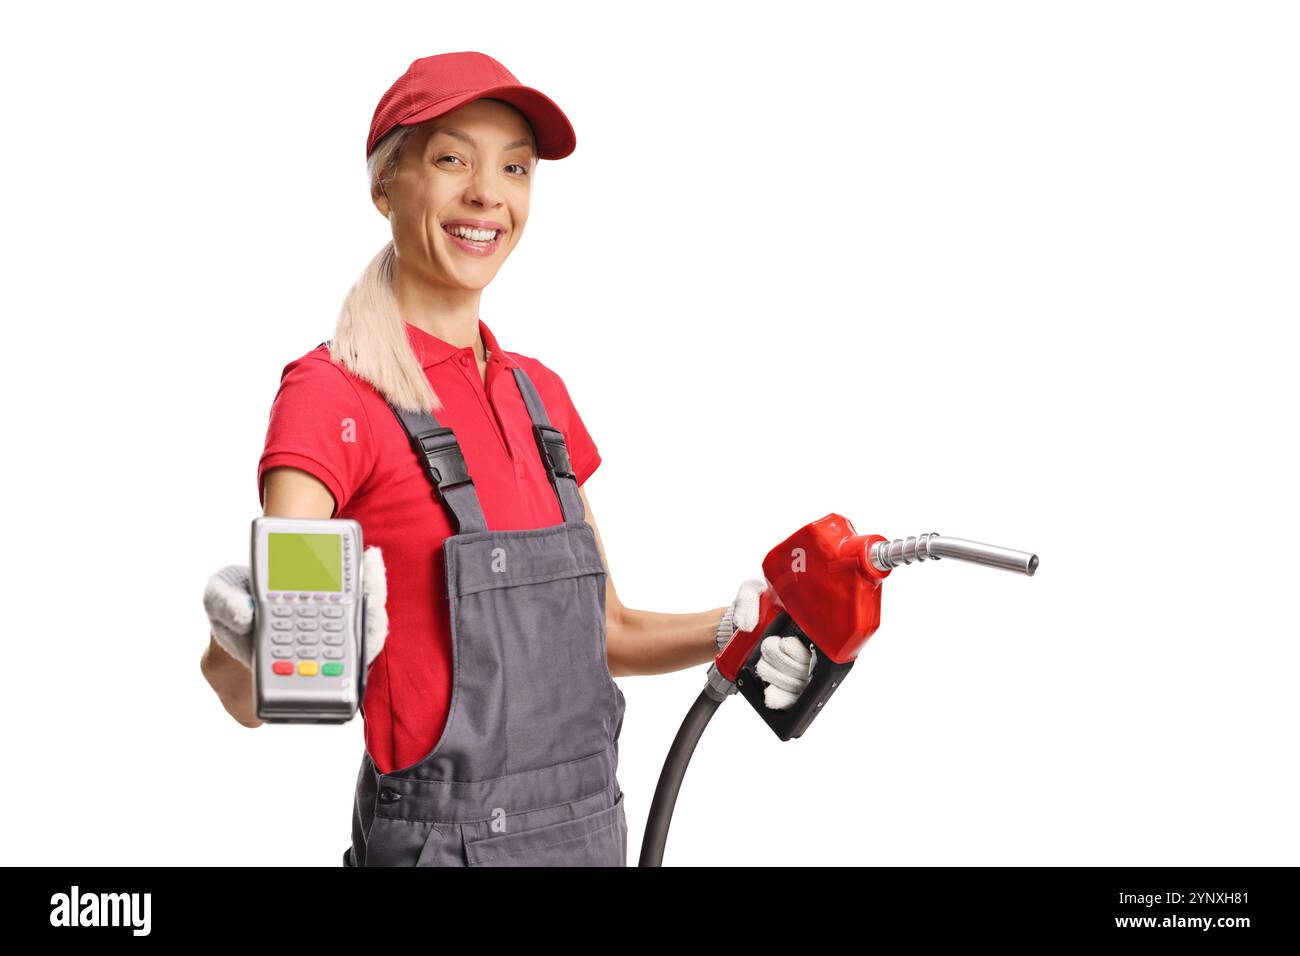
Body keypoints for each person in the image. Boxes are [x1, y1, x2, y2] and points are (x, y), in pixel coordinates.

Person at [200, 51, 813, 867]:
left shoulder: (539, 396)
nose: (489, 193)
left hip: (591, 835)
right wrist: (244, 645)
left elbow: (608, 632)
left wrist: (741, 629)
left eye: (514, 167)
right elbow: (262, 688)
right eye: (453, 159)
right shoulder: (332, 395)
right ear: (385, 185)